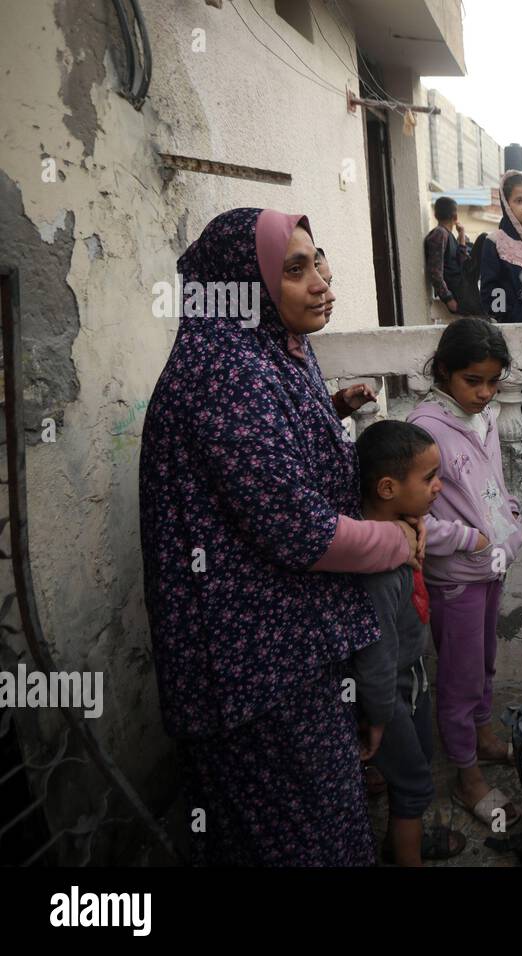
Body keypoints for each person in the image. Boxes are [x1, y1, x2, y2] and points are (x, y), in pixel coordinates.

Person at [140, 208, 426, 866]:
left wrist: (330, 411)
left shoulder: (272, 349)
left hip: (290, 647)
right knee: (293, 835)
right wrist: (396, 541)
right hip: (250, 669)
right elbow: (297, 530)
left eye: (317, 259)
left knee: (324, 814)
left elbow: (260, 457)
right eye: (293, 270)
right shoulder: (226, 378)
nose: (321, 280)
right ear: (244, 285)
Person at [407, 318, 522, 830]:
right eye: (472, 381)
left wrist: (509, 515)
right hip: (456, 573)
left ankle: (481, 737)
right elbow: (413, 523)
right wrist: (468, 538)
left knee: (484, 664)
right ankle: (466, 775)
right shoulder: (425, 429)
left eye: (493, 381)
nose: (484, 392)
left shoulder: (486, 416)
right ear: (443, 372)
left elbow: (490, 484)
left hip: (491, 564)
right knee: (458, 679)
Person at [352, 420, 467, 865]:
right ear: (386, 487)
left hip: (412, 679)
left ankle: (404, 842)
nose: (439, 486)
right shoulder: (379, 571)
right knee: (413, 784)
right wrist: (379, 714)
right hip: (391, 694)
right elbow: (375, 654)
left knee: (418, 763)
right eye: (428, 478)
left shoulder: (402, 528)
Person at [478, 170, 522, 474]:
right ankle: (520, 458)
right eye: (519, 200)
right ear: (506, 203)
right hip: (513, 332)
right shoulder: (495, 242)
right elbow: (490, 290)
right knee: (515, 392)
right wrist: (512, 317)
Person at [425, 196, 470, 321]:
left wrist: (461, 236)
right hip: (454, 297)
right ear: (455, 217)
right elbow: (435, 270)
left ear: (435, 215)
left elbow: (462, 262)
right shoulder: (440, 234)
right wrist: (448, 298)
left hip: (461, 293)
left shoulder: (447, 235)